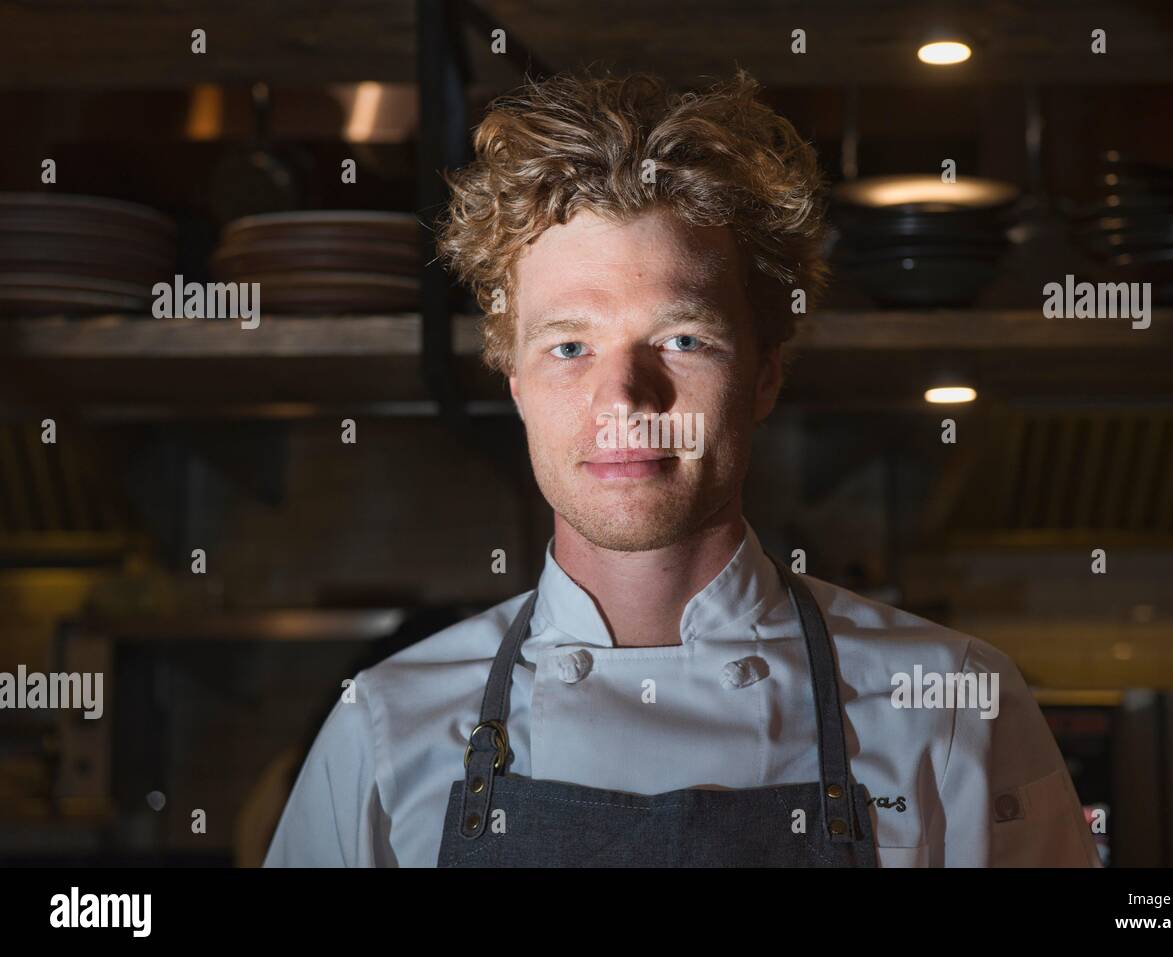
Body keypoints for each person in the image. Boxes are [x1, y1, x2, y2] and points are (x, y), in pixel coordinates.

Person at [263, 69, 1100, 868]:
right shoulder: (383, 727)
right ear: (515, 382)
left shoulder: (952, 705)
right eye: (569, 347)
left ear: (765, 372)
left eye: (682, 339)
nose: (624, 396)